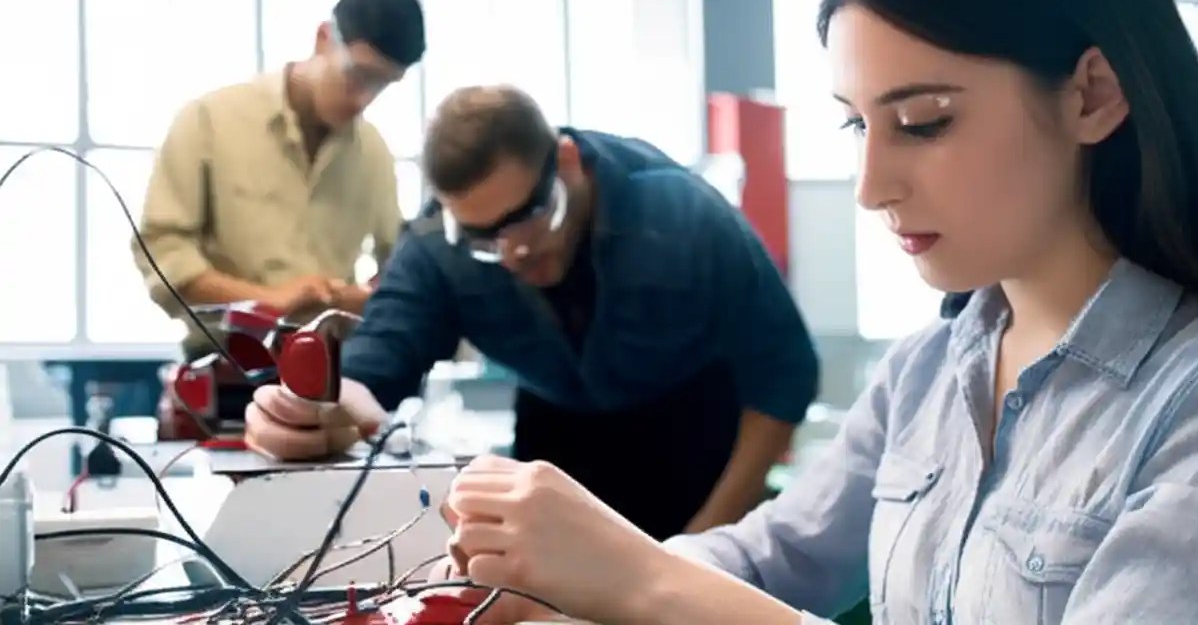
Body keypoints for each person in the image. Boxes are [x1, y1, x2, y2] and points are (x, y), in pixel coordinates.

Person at [431, 0, 1198, 623]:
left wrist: (643, 579)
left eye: (923, 122)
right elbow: (773, 557)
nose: (871, 187)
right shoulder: (926, 373)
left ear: (1091, 94)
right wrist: (562, 590)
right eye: (855, 126)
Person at [244, 84, 820, 540]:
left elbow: (785, 375)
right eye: (483, 237)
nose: (512, 252)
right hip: (559, 443)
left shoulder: (678, 212)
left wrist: (707, 542)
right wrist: (315, 414)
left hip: (695, 439)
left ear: (565, 161)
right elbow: (374, 368)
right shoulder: (436, 245)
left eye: (527, 217)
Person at [133, 0, 423, 358]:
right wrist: (271, 302)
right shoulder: (209, 121)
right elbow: (164, 255)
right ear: (323, 38)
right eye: (359, 74)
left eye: (383, 84)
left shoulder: (375, 153)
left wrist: (360, 299)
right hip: (224, 368)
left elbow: (398, 266)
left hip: (329, 372)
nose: (364, 97)